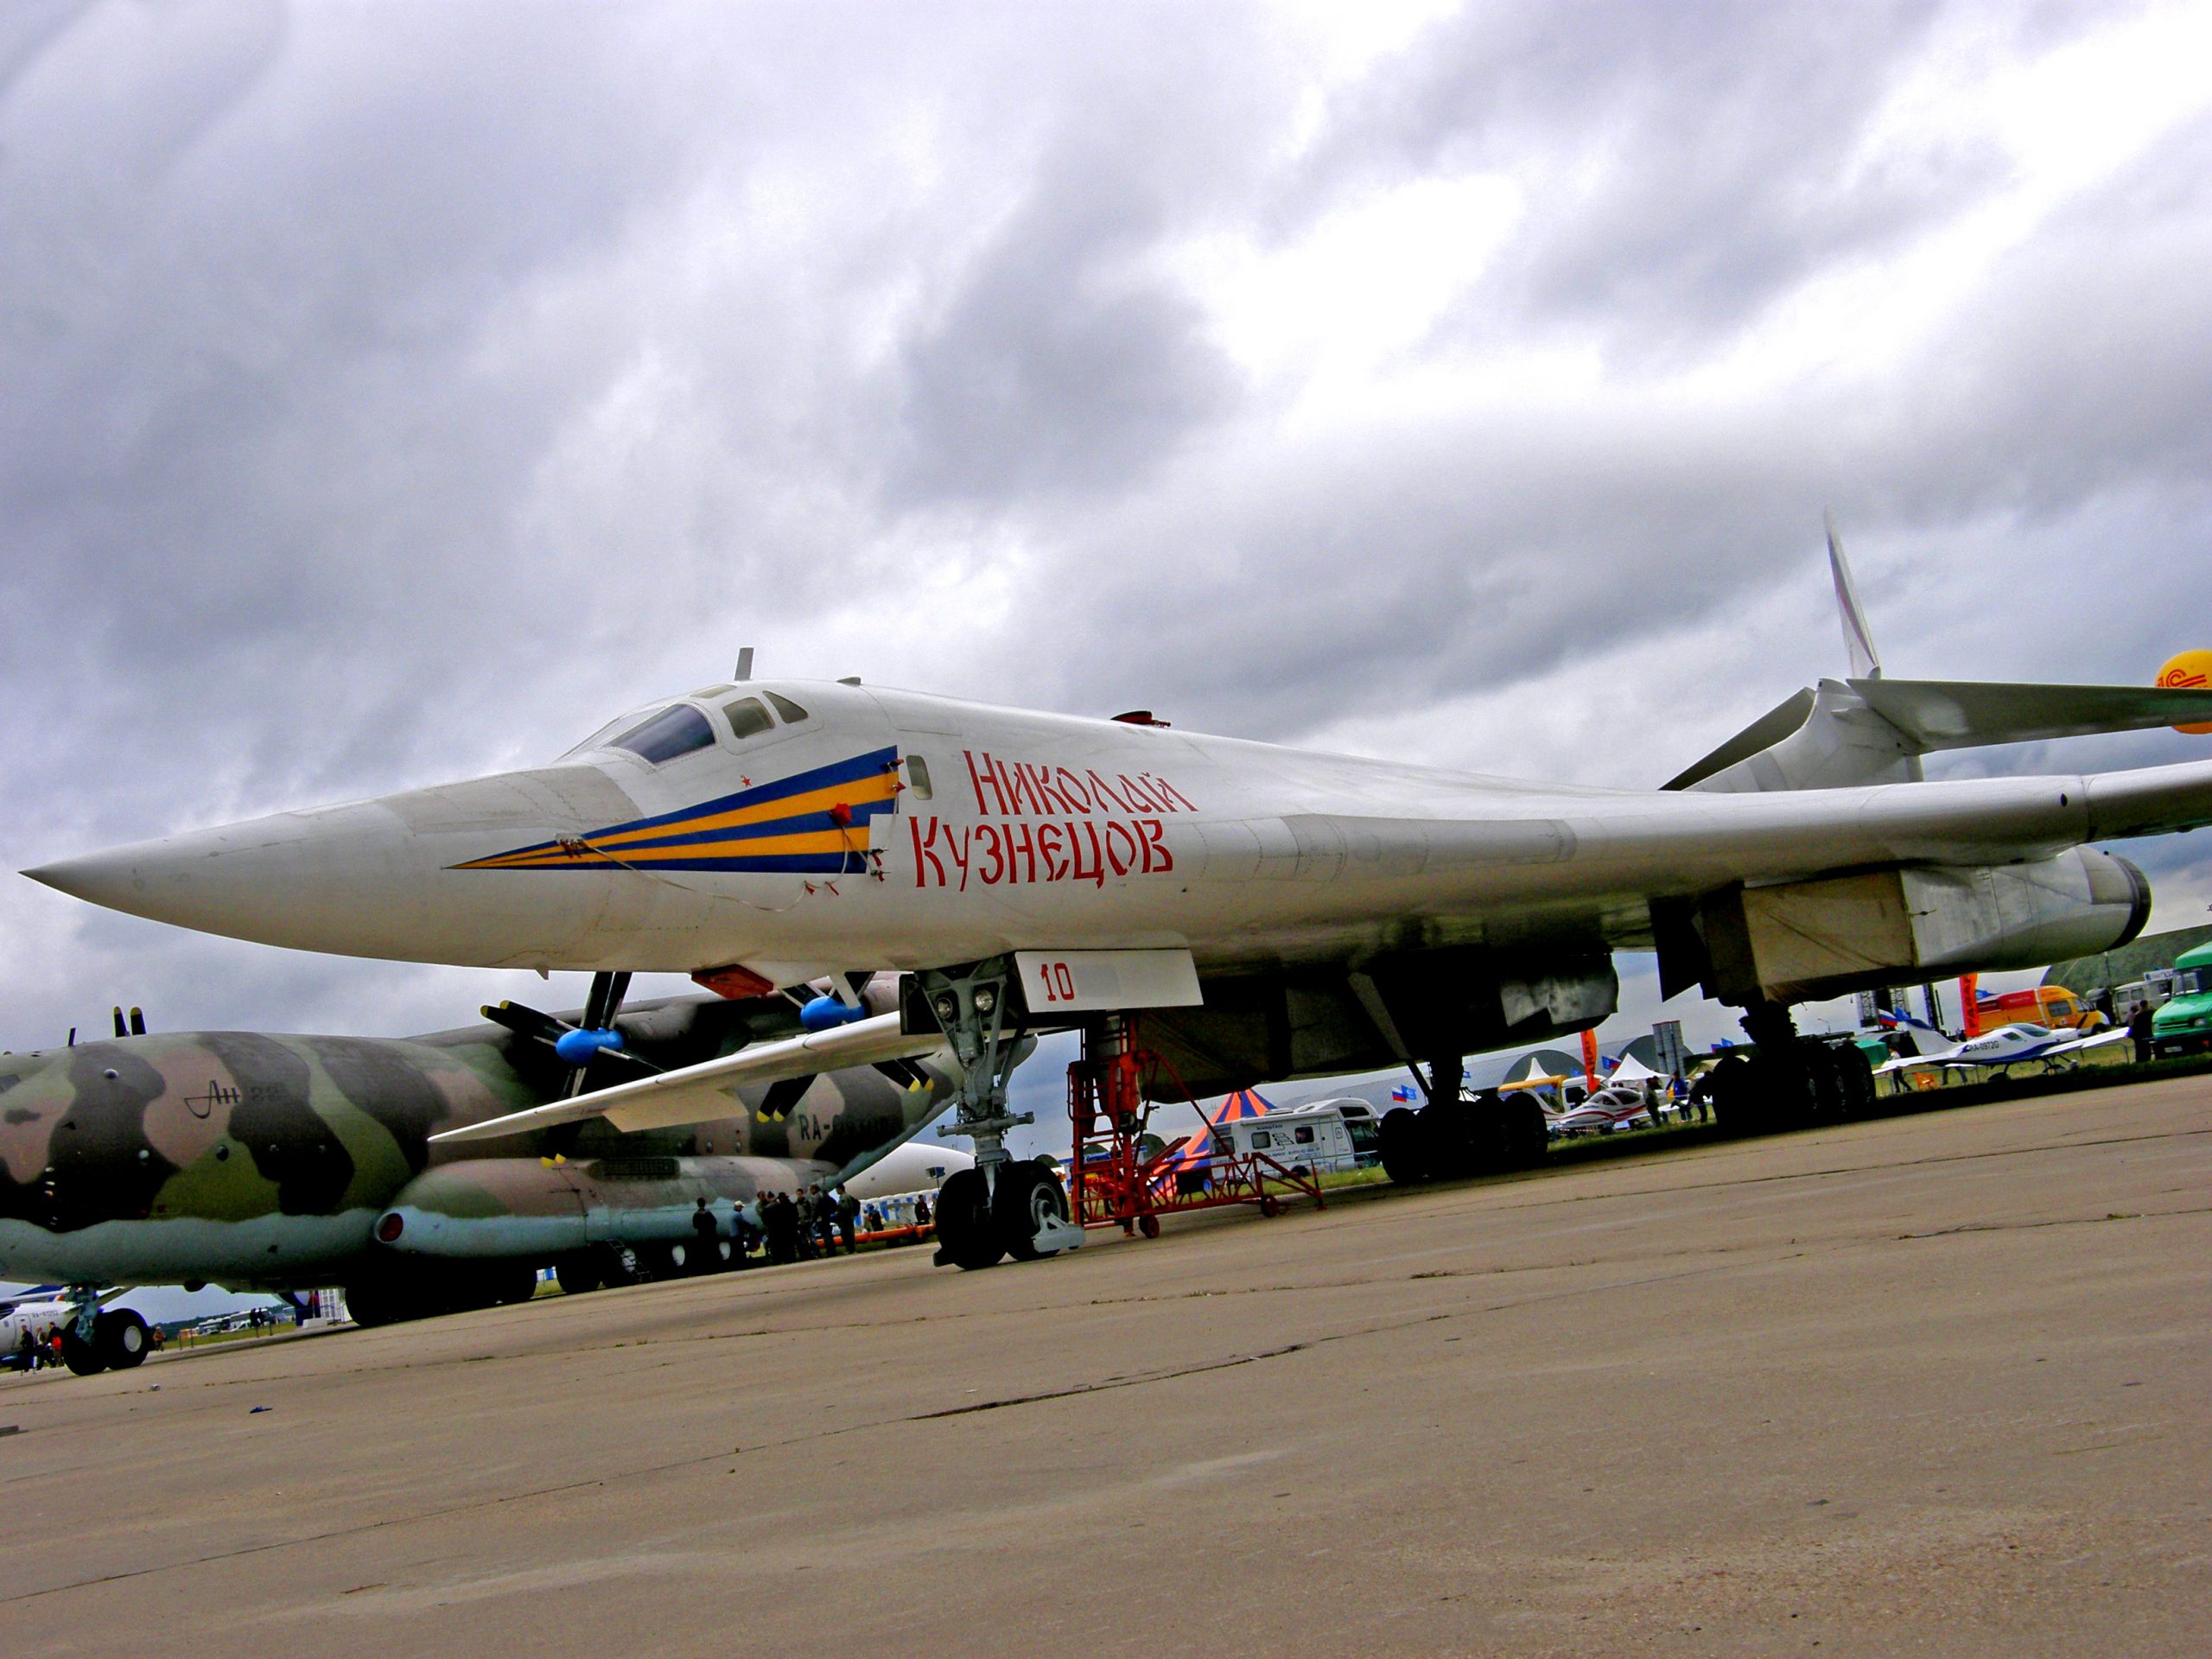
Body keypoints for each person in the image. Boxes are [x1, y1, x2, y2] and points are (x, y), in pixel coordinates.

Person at [2128, 1001, 2157, 1065]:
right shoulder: (2153, 1012)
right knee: (2155, 1047)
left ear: (2140, 1006)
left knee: (2142, 1051)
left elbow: (2135, 1026)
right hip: (2152, 1033)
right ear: (2147, 1004)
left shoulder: (2138, 1015)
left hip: (2141, 1035)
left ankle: (2142, 1061)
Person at [836, 1189, 860, 1254]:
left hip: (846, 1219)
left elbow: (845, 1208)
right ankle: (852, 1249)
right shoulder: (847, 1196)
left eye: (837, 1190)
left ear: (840, 1189)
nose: (836, 1191)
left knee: (846, 1234)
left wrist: (839, 1214)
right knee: (850, 1234)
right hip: (849, 1218)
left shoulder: (844, 1197)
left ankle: (850, 1249)